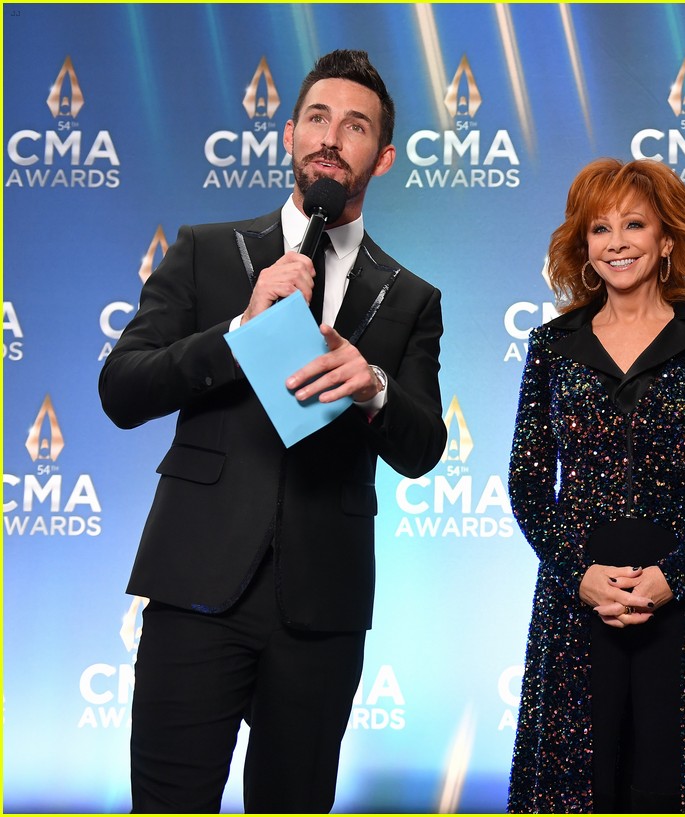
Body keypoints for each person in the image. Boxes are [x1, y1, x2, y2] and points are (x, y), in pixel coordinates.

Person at [98, 50, 446, 812]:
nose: (331, 137)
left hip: (321, 610)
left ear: (381, 157)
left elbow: (424, 447)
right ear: (289, 134)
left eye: (355, 127)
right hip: (194, 589)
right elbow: (122, 390)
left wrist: (374, 386)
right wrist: (239, 327)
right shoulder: (205, 250)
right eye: (317, 118)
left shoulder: (413, 297)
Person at [507, 158, 685, 813]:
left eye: (634, 224)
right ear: (584, 248)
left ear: (666, 240)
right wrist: (579, 574)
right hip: (577, 601)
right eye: (600, 228)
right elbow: (528, 484)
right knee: (580, 785)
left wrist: (673, 574)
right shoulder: (551, 345)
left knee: (673, 782)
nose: (617, 241)